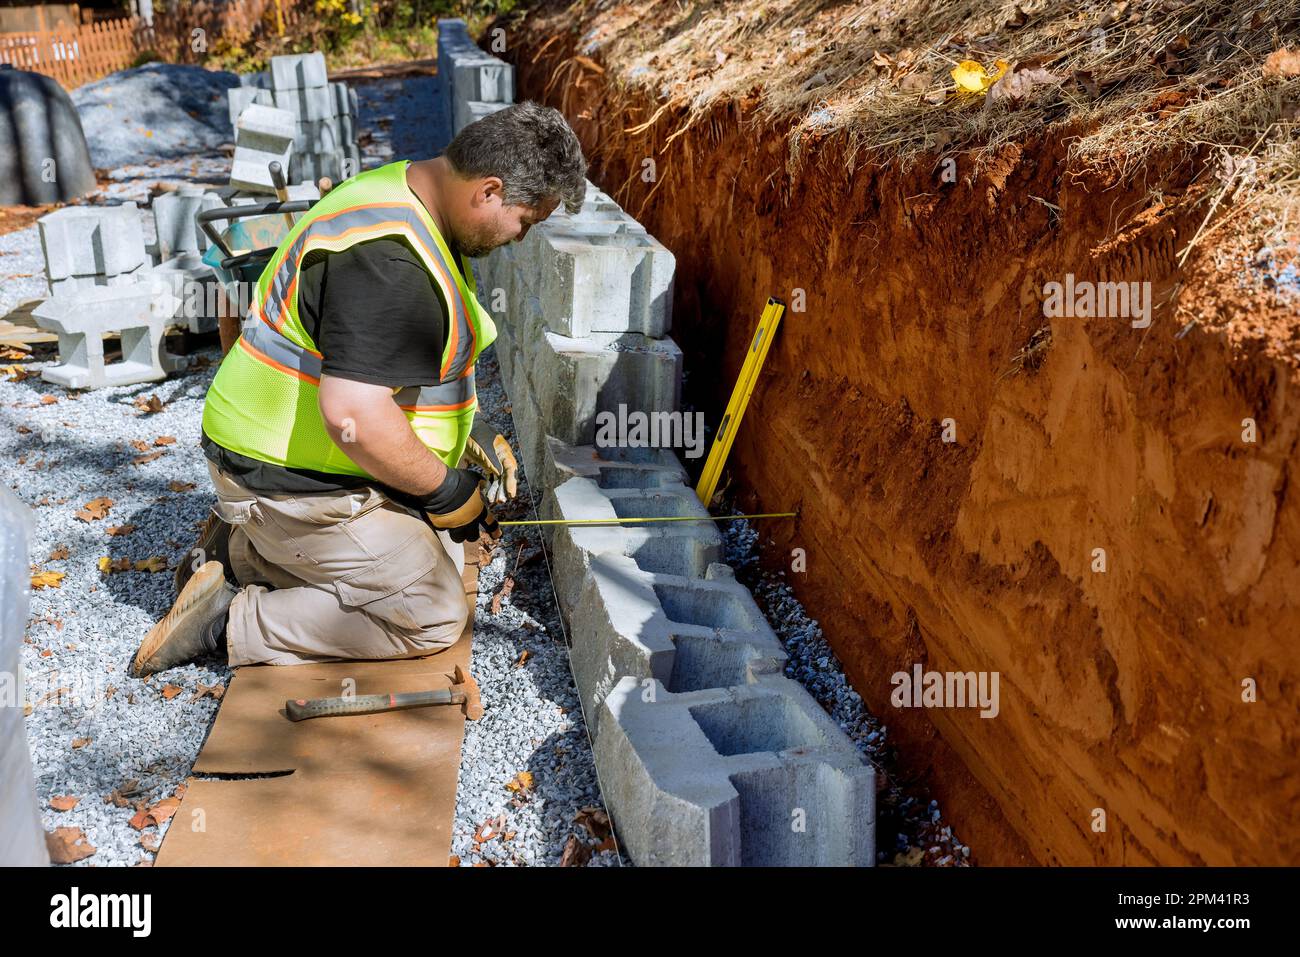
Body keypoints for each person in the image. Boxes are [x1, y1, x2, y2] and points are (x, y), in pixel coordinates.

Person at [131, 101, 588, 676]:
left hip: (268, 450)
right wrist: (446, 490)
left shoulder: (401, 192)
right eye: (527, 220)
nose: (522, 238)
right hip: (289, 478)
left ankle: (243, 552)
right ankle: (229, 619)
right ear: (489, 190)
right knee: (432, 610)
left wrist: (465, 433)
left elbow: (384, 363)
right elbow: (352, 416)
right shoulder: (391, 264)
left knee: (434, 548)